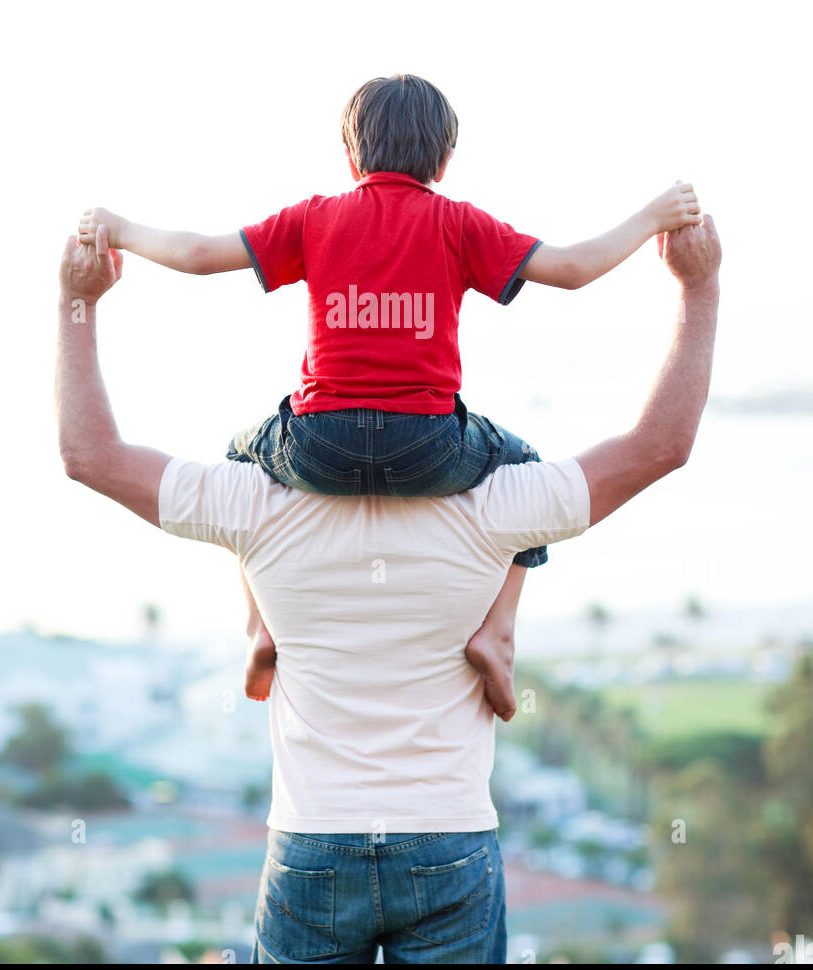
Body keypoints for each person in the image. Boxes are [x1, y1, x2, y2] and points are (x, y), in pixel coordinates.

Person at [56, 210, 721, 964]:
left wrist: (77, 303)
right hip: (449, 839)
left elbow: (91, 455)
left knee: (235, 464)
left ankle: (259, 628)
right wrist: (698, 287)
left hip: (312, 844)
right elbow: (660, 444)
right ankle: (495, 631)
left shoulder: (253, 499)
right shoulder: (497, 501)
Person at [76, 76, 701, 719]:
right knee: (524, 460)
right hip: (428, 449)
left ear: (351, 156)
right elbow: (573, 269)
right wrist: (655, 216)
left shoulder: (315, 217)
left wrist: (121, 229)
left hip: (319, 446)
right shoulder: (458, 222)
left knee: (240, 452)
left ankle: (260, 625)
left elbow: (200, 254)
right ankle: (499, 630)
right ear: (445, 161)